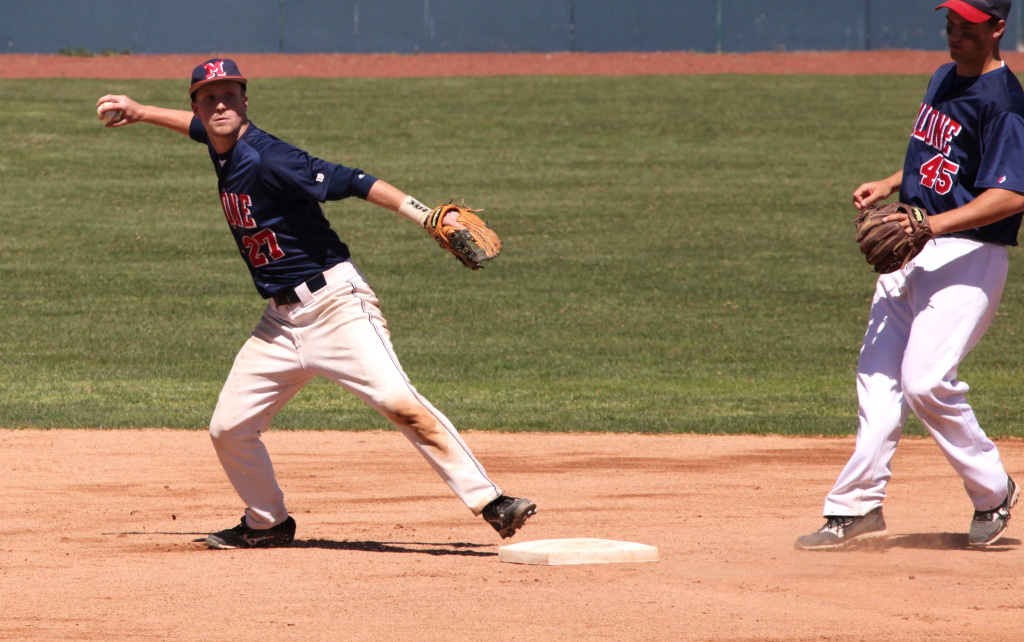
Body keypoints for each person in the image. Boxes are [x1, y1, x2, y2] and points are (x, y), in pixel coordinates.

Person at [96, 59, 536, 549]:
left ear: (245, 101)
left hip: (335, 306)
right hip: (279, 324)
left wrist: (426, 215)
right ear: (197, 106)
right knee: (228, 428)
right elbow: (199, 128)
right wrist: (140, 111)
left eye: (229, 95)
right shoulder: (220, 140)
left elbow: (353, 180)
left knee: (400, 403)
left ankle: (492, 501)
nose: (220, 106)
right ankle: (267, 523)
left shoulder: (270, 158)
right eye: (209, 98)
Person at [796, 0, 1024, 551]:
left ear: (998, 27)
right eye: (950, 24)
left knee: (925, 382)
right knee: (878, 381)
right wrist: (891, 183)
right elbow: (941, 157)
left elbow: (1012, 193)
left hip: (968, 255)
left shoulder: (1005, 104)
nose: (955, 34)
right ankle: (855, 507)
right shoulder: (943, 77)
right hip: (912, 247)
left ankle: (993, 491)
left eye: (968, 26)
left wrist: (931, 224)